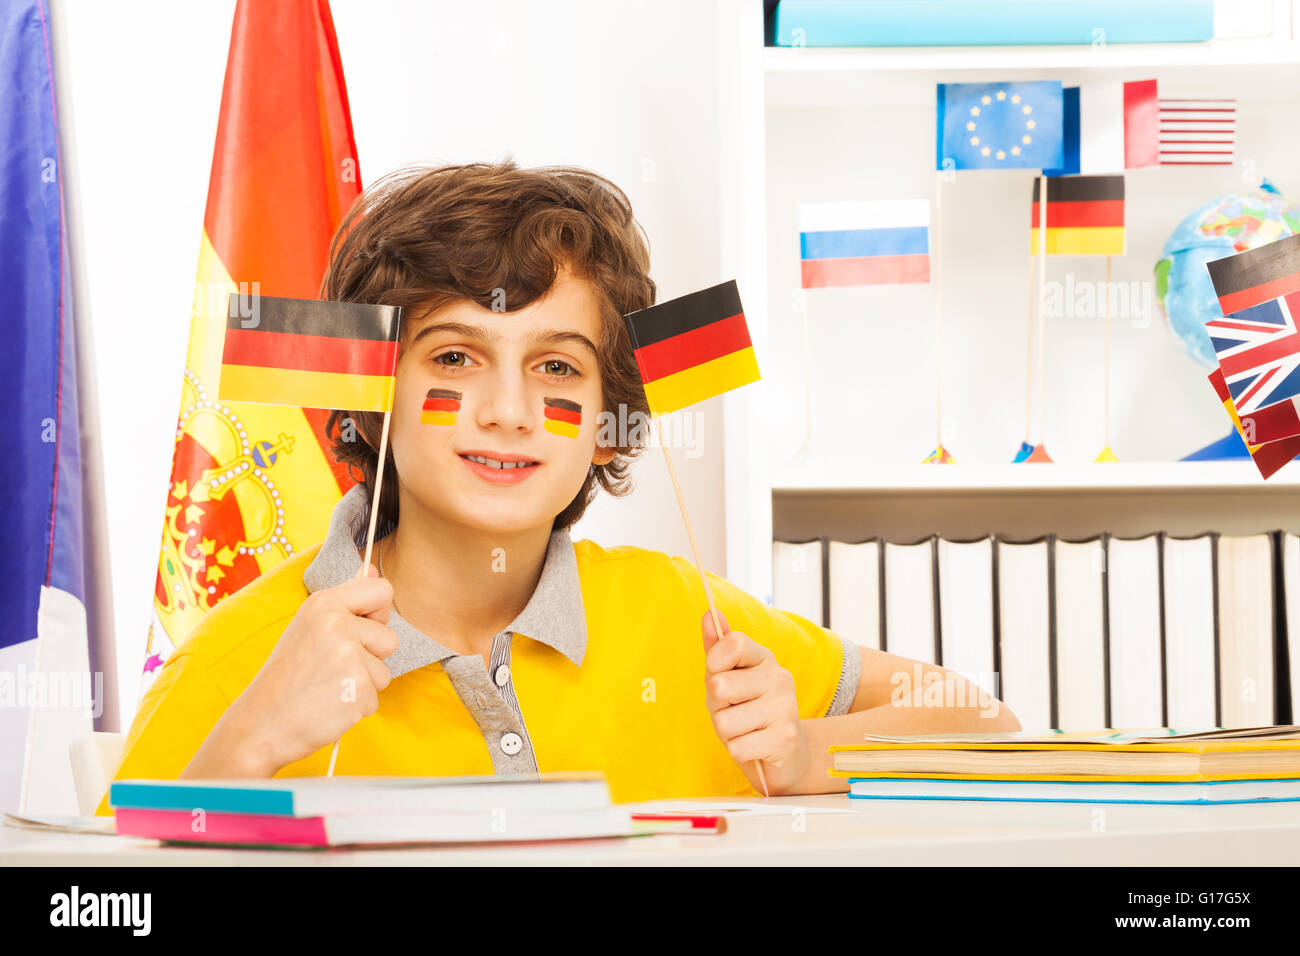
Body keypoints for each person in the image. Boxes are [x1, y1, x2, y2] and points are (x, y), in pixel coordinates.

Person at [96, 161, 1018, 814]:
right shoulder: (238, 661)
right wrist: (246, 746)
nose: (509, 410)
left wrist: (804, 750)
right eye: (455, 357)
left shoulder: (685, 614)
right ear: (372, 393)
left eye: (559, 370)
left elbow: (984, 723)